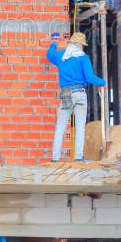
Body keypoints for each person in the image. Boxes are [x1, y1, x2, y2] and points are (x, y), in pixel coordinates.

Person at [46, 31, 106, 162]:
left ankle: (55, 158)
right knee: (80, 127)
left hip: (66, 93)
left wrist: (55, 41)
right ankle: (78, 157)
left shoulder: (61, 56)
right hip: (79, 94)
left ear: (70, 43)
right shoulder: (83, 58)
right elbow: (90, 77)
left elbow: (49, 55)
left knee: (61, 126)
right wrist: (103, 82)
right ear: (81, 46)